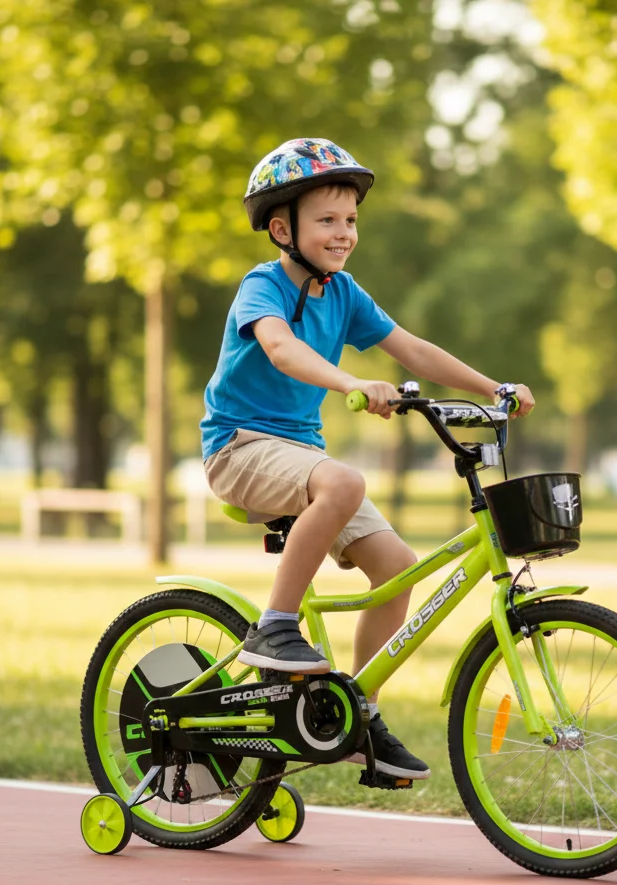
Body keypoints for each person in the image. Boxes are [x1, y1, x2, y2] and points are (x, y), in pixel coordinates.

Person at [200, 138, 534, 779]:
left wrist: (493, 388)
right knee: (344, 481)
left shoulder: (344, 293)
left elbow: (414, 350)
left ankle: (357, 715)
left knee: (398, 569)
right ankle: (274, 625)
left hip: (298, 454)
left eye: (351, 220)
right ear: (282, 228)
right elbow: (281, 351)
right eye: (326, 219)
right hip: (238, 447)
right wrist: (351, 384)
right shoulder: (261, 286)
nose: (344, 232)